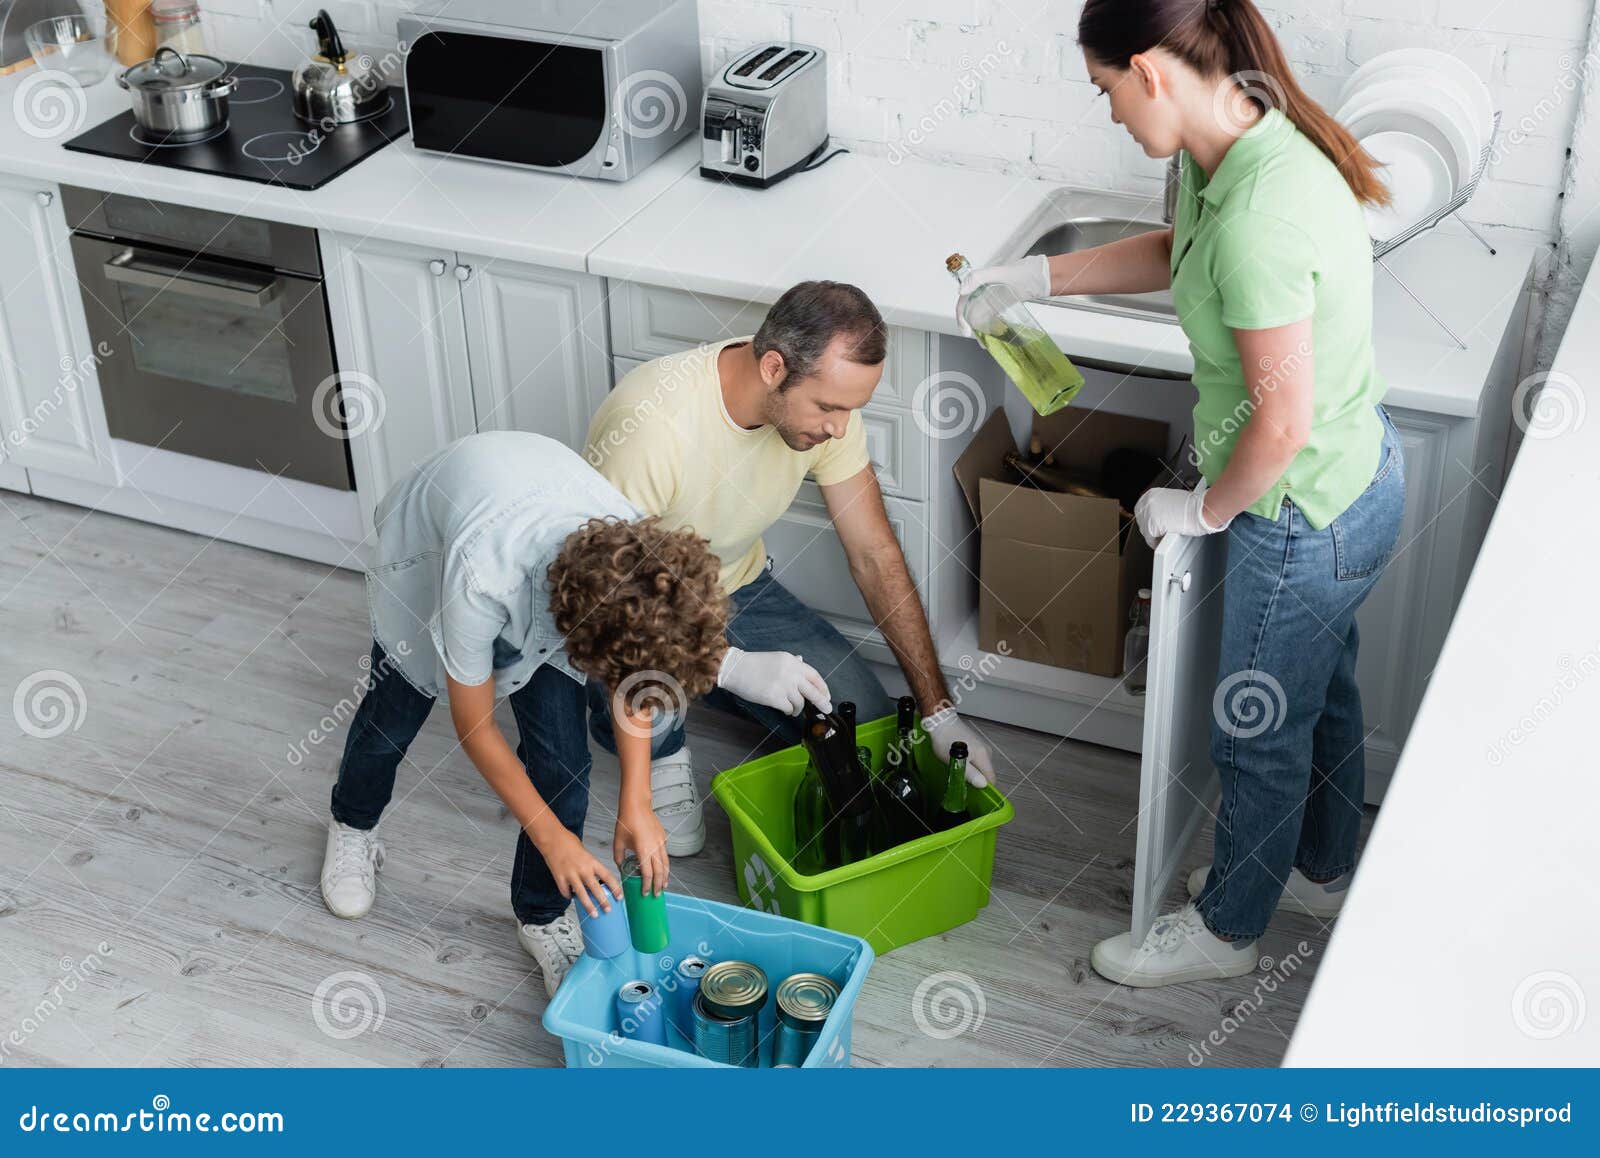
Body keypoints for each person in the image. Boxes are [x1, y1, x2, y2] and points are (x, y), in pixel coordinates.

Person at [959, 0, 1405, 986]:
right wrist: (1038, 275)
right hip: (1355, 481)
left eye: (1107, 89)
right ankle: (1319, 871)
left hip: (1297, 512)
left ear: (1151, 71)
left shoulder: (1259, 212)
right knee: (1320, 694)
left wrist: (1201, 509)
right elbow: (1175, 252)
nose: (1111, 113)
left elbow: (1277, 427)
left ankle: (1226, 930)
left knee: (1255, 727)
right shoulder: (1241, 144)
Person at [585, 280, 996, 855]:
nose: (839, 428)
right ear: (774, 368)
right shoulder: (653, 425)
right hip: (643, 603)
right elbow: (605, 594)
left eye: (850, 410)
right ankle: (660, 736)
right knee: (632, 671)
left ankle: (706, 681)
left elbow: (874, 556)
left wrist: (936, 711)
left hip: (738, 589)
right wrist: (728, 665)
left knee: (870, 735)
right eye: (829, 408)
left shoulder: (829, 417)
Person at [316, 430, 729, 996]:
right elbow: (476, 727)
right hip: (439, 550)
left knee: (563, 760)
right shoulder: (479, 577)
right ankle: (352, 823)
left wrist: (637, 798)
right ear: (584, 641)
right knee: (396, 713)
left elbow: (632, 683)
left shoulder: (639, 562)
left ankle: (540, 914)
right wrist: (557, 841)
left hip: (540, 533)